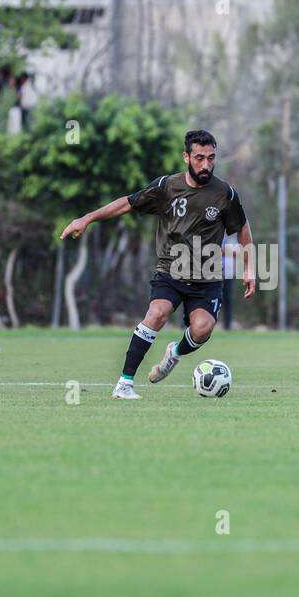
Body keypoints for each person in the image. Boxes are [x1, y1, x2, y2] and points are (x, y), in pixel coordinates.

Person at [59, 129, 256, 400]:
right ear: (186, 157)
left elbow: (243, 228)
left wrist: (249, 267)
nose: (206, 165)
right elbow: (127, 204)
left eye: (211, 158)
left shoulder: (225, 194)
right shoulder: (167, 186)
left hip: (207, 277)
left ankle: (174, 353)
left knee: (202, 330)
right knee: (156, 314)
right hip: (170, 271)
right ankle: (124, 384)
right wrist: (86, 219)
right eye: (199, 158)